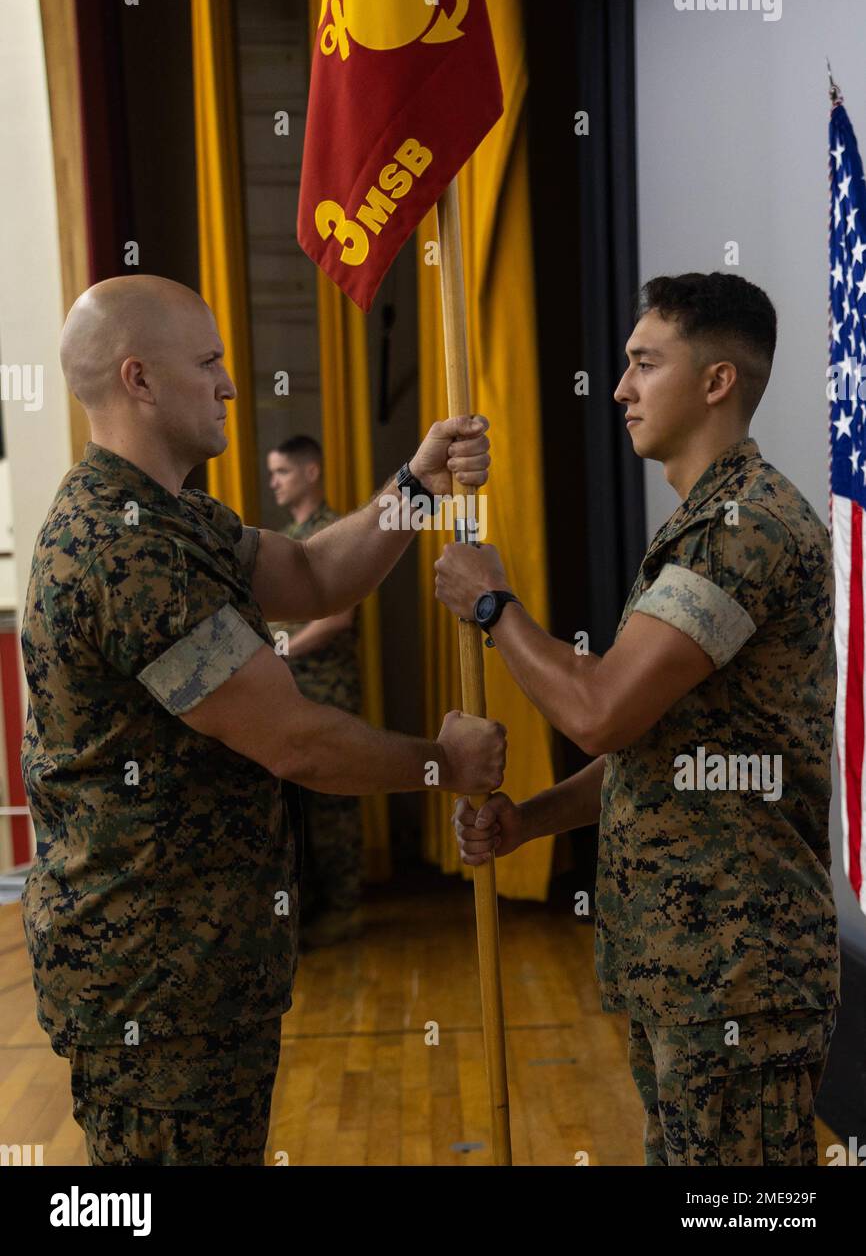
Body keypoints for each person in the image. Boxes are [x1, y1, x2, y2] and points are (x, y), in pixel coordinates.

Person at [20, 273, 505, 1167]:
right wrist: (443, 762)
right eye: (207, 363)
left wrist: (419, 485)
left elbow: (317, 573)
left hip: (200, 968)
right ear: (138, 379)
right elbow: (296, 740)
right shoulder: (119, 545)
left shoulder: (172, 517)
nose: (231, 386)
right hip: (151, 986)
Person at [437, 271, 840, 1167]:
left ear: (716, 382)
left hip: (738, 972)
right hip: (685, 967)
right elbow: (653, 749)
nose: (620, 388)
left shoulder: (745, 528)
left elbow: (601, 711)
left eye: (644, 363)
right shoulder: (702, 523)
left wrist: (496, 609)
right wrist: (528, 822)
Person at [266, 436, 364, 948]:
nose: (274, 481)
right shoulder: (287, 538)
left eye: (281, 470)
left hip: (327, 691)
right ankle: (316, 907)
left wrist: (279, 653)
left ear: (310, 472)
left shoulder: (333, 533)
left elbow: (338, 619)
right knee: (300, 808)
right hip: (295, 697)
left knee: (335, 803)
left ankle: (346, 909)